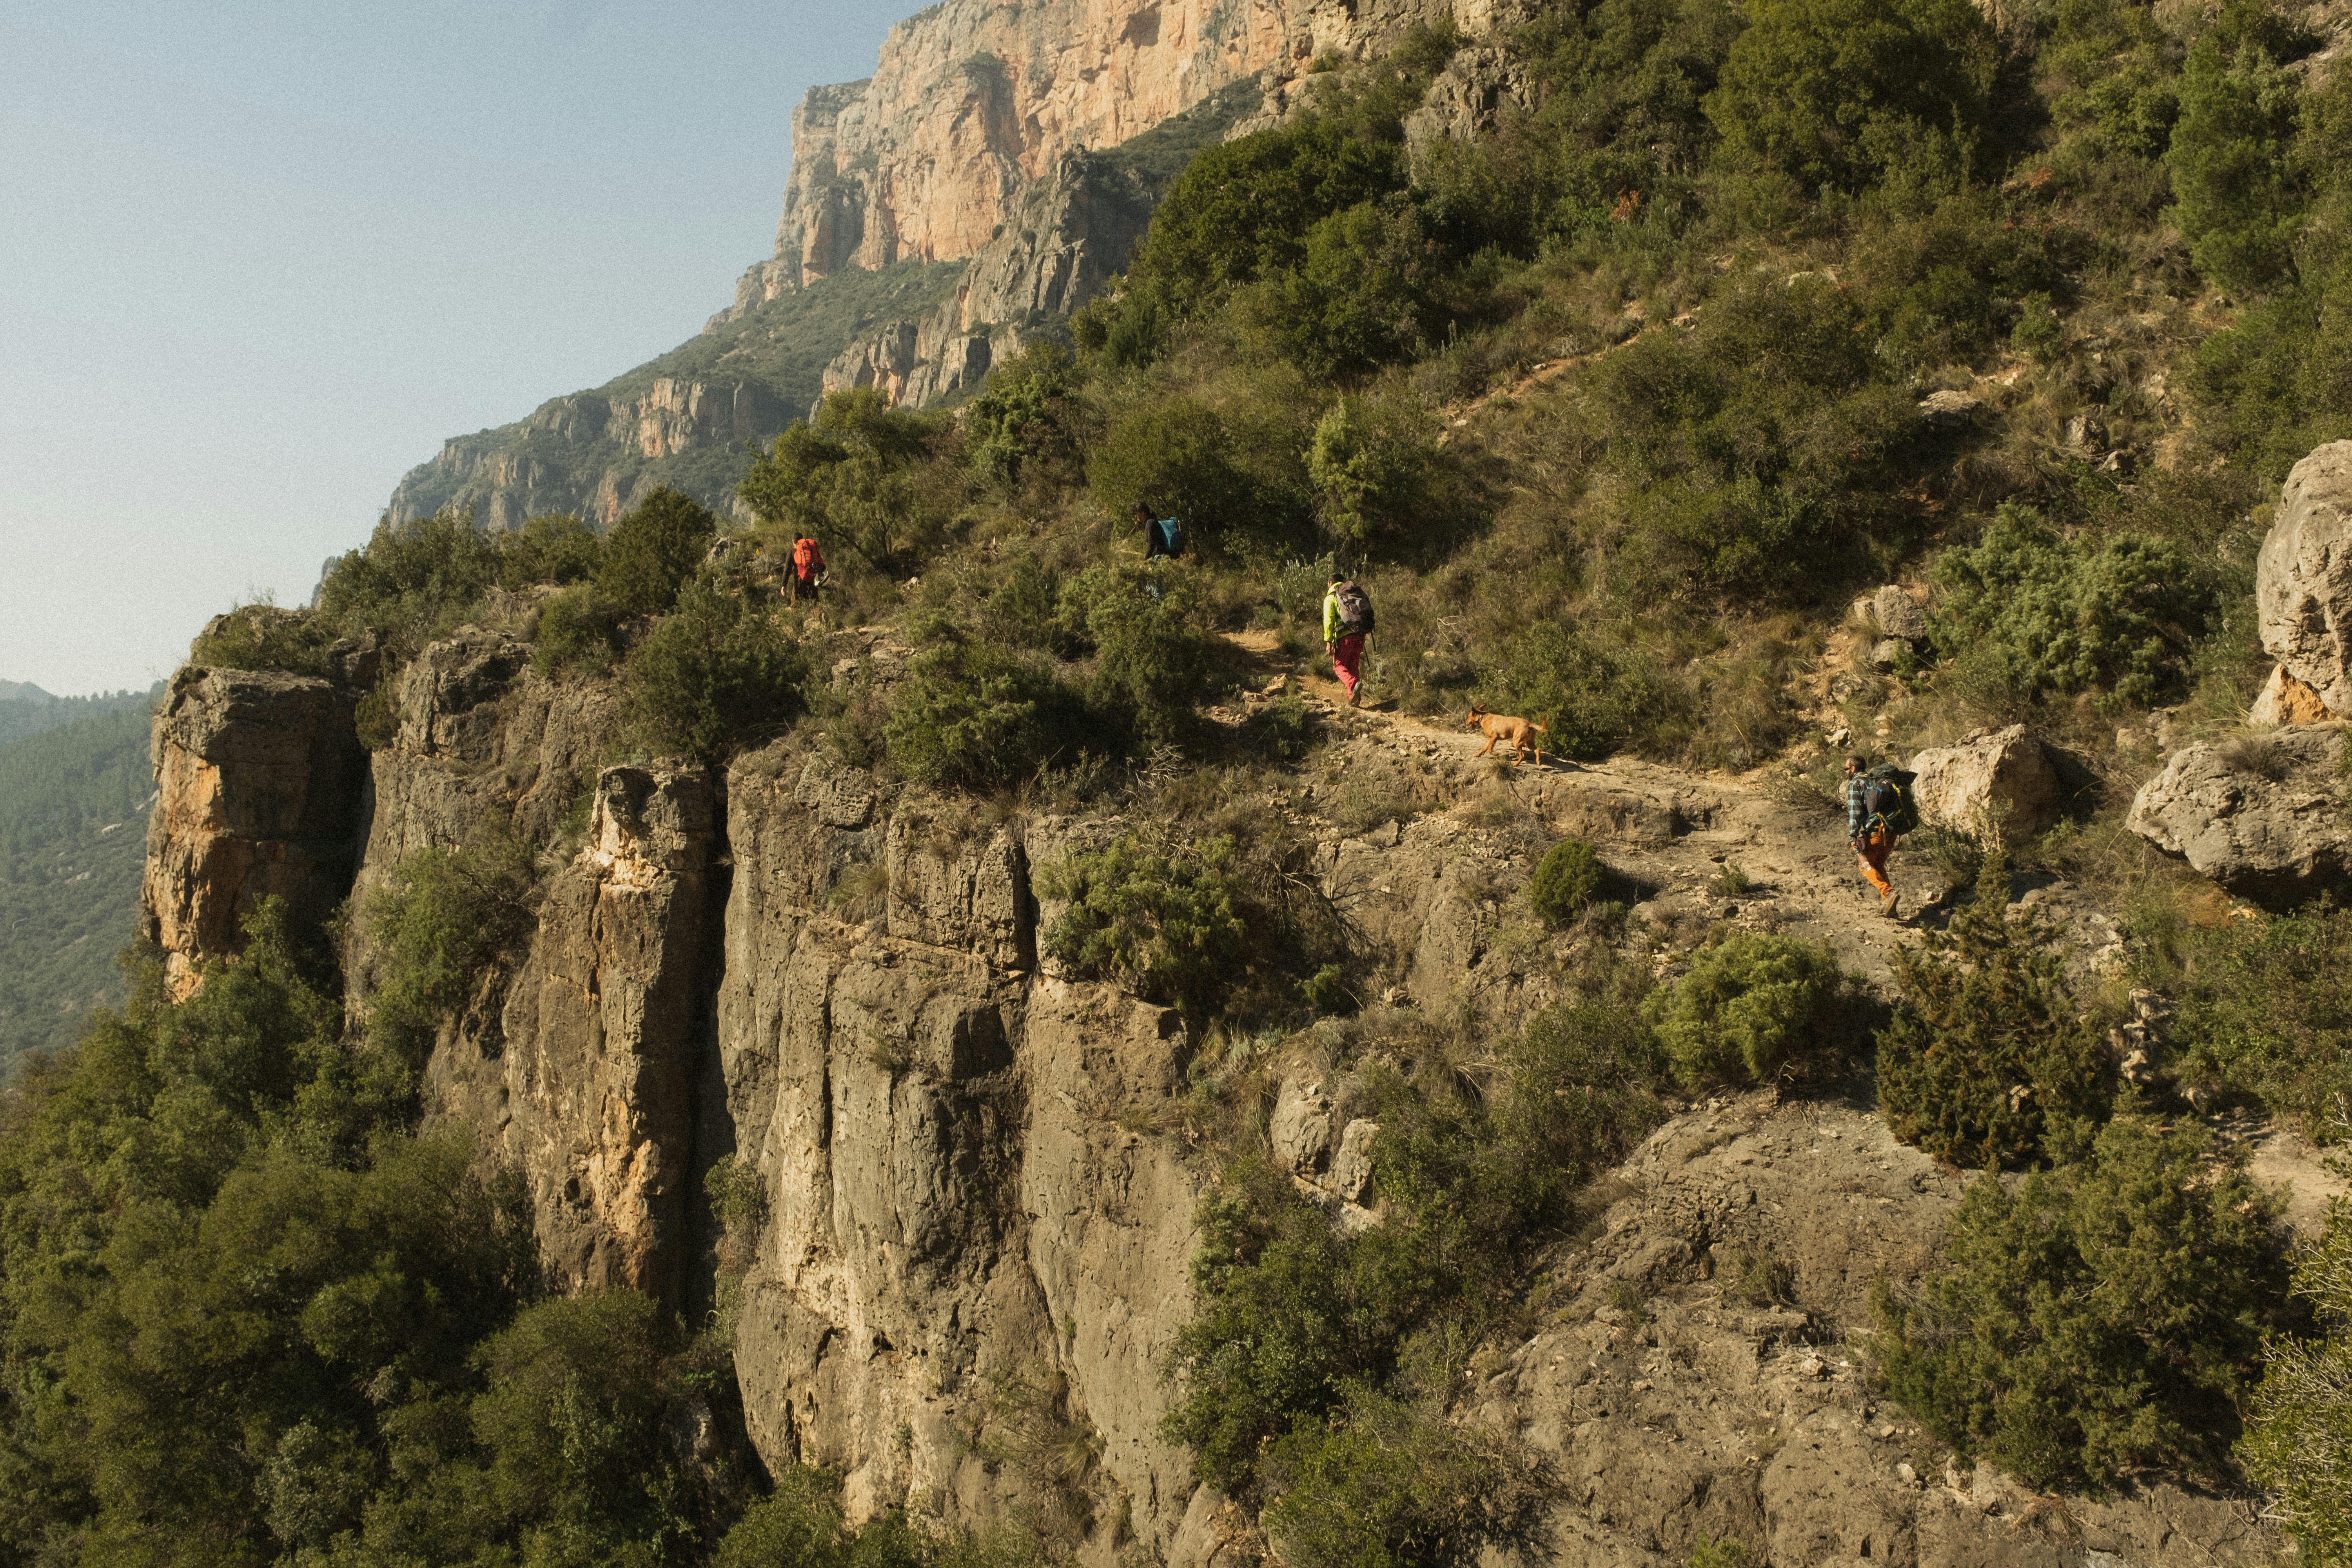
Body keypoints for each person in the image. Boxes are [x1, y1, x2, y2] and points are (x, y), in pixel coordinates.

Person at [1844, 755, 1900, 918]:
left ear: (1853, 769)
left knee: (1865, 866)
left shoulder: (1856, 783)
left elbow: (1855, 812)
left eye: (1846, 769)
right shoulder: (1875, 781)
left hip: (1876, 831)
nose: (1846, 772)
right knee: (1878, 865)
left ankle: (1889, 893)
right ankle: (1890, 907)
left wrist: (1853, 837)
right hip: (1890, 831)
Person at [1321, 575, 1373, 708]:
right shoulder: (1351, 595)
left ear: (1330, 583)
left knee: (1338, 666)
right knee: (1353, 667)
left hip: (1344, 637)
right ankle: (1354, 699)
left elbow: (1329, 621)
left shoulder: (1331, 598)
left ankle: (1353, 684)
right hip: (1360, 635)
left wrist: (1328, 641)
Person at [789, 534, 826, 606]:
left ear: (793, 542)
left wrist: (784, 585)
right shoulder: (811, 548)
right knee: (815, 601)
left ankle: (796, 611)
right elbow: (823, 565)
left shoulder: (794, 551)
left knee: (798, 602)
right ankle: (816, 611)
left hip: (801, 578)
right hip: (814, 576)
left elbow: (787, 568)